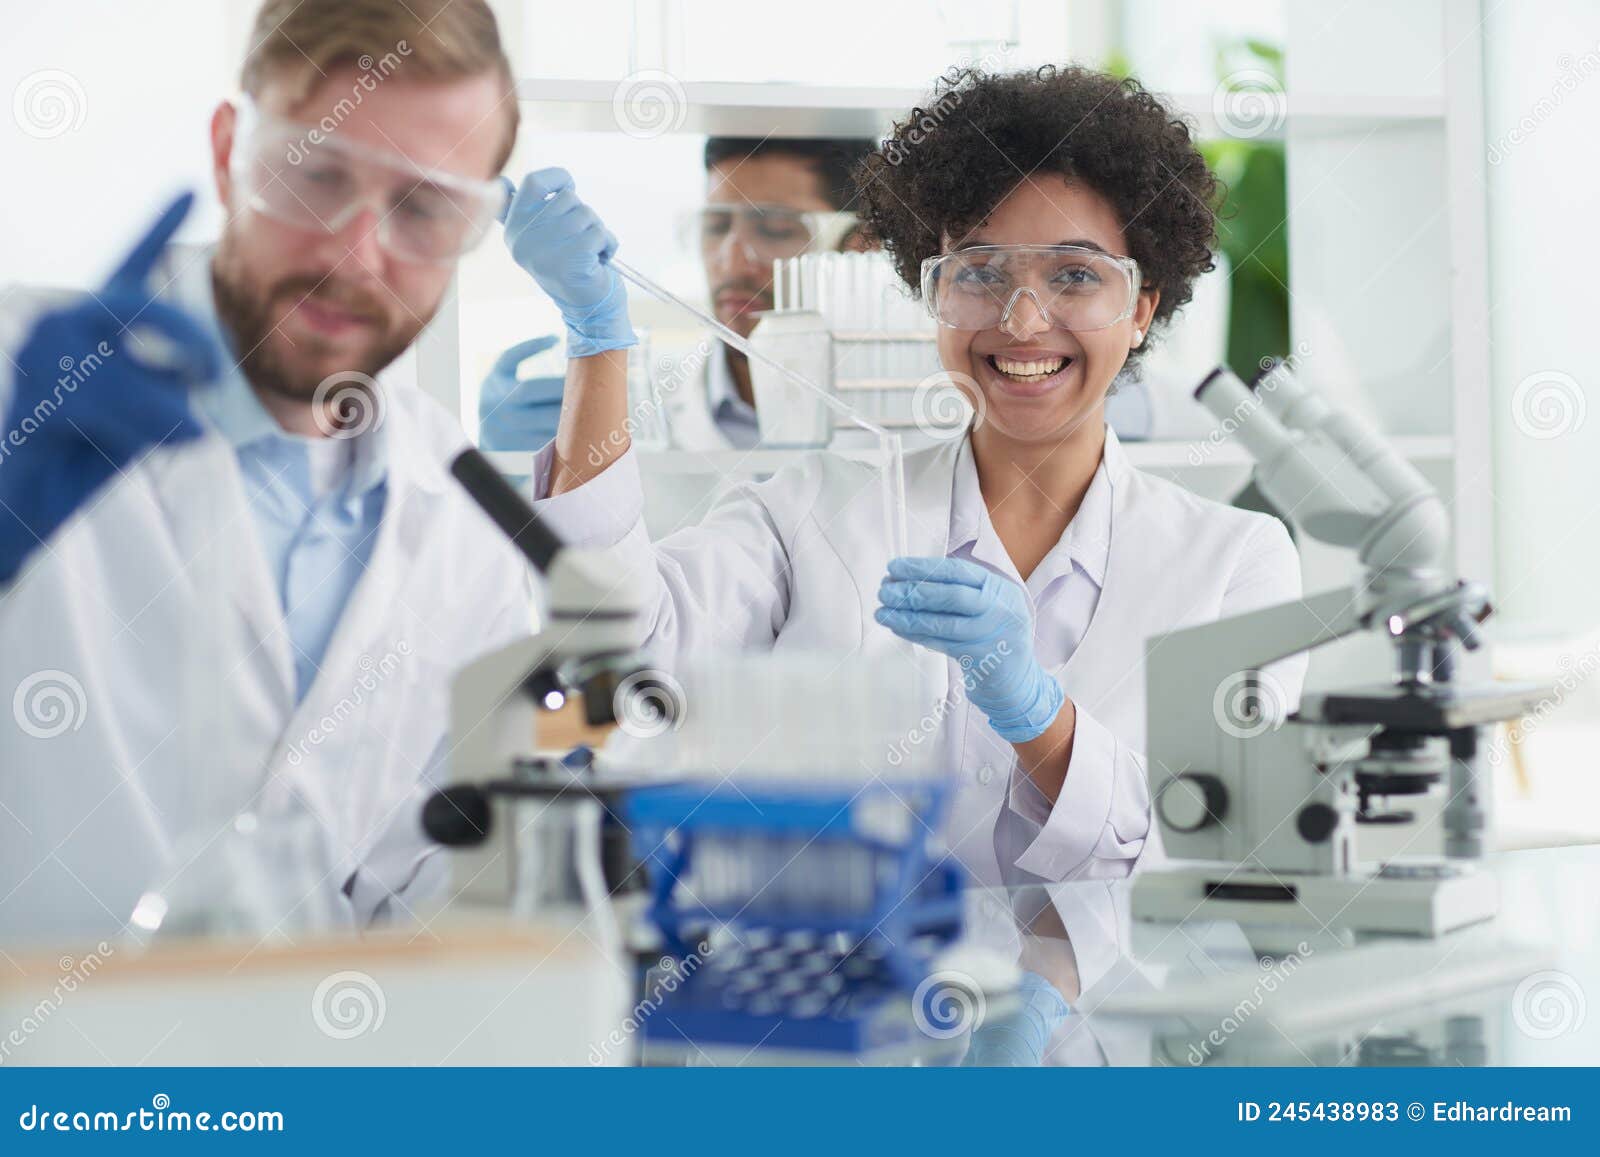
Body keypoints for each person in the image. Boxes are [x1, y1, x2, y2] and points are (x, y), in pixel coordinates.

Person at [503, 65, 1308, 886]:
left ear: (1141, 307)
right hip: (844, 1001)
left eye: (1075, 273)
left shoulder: (1237, 561)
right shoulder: (814, 510)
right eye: (980, 271)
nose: (1022, 320)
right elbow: (615, 654)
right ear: (931, 290)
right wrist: (596, 335)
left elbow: (1219, 833)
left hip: (1122, 1008)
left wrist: (1036, 712)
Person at [0, 0, 598, 940]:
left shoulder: (464, 515)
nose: (354, 256)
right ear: (230, 146)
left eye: (426, 209)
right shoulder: (27, 382)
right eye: (316, 174)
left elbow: (411, 892)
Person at [479, 136, 876, 452]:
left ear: (858, 246)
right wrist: (510, 479)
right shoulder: (640, 404)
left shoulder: (902, 409)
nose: (732, 261)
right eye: (716, 227)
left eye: (774, 229)